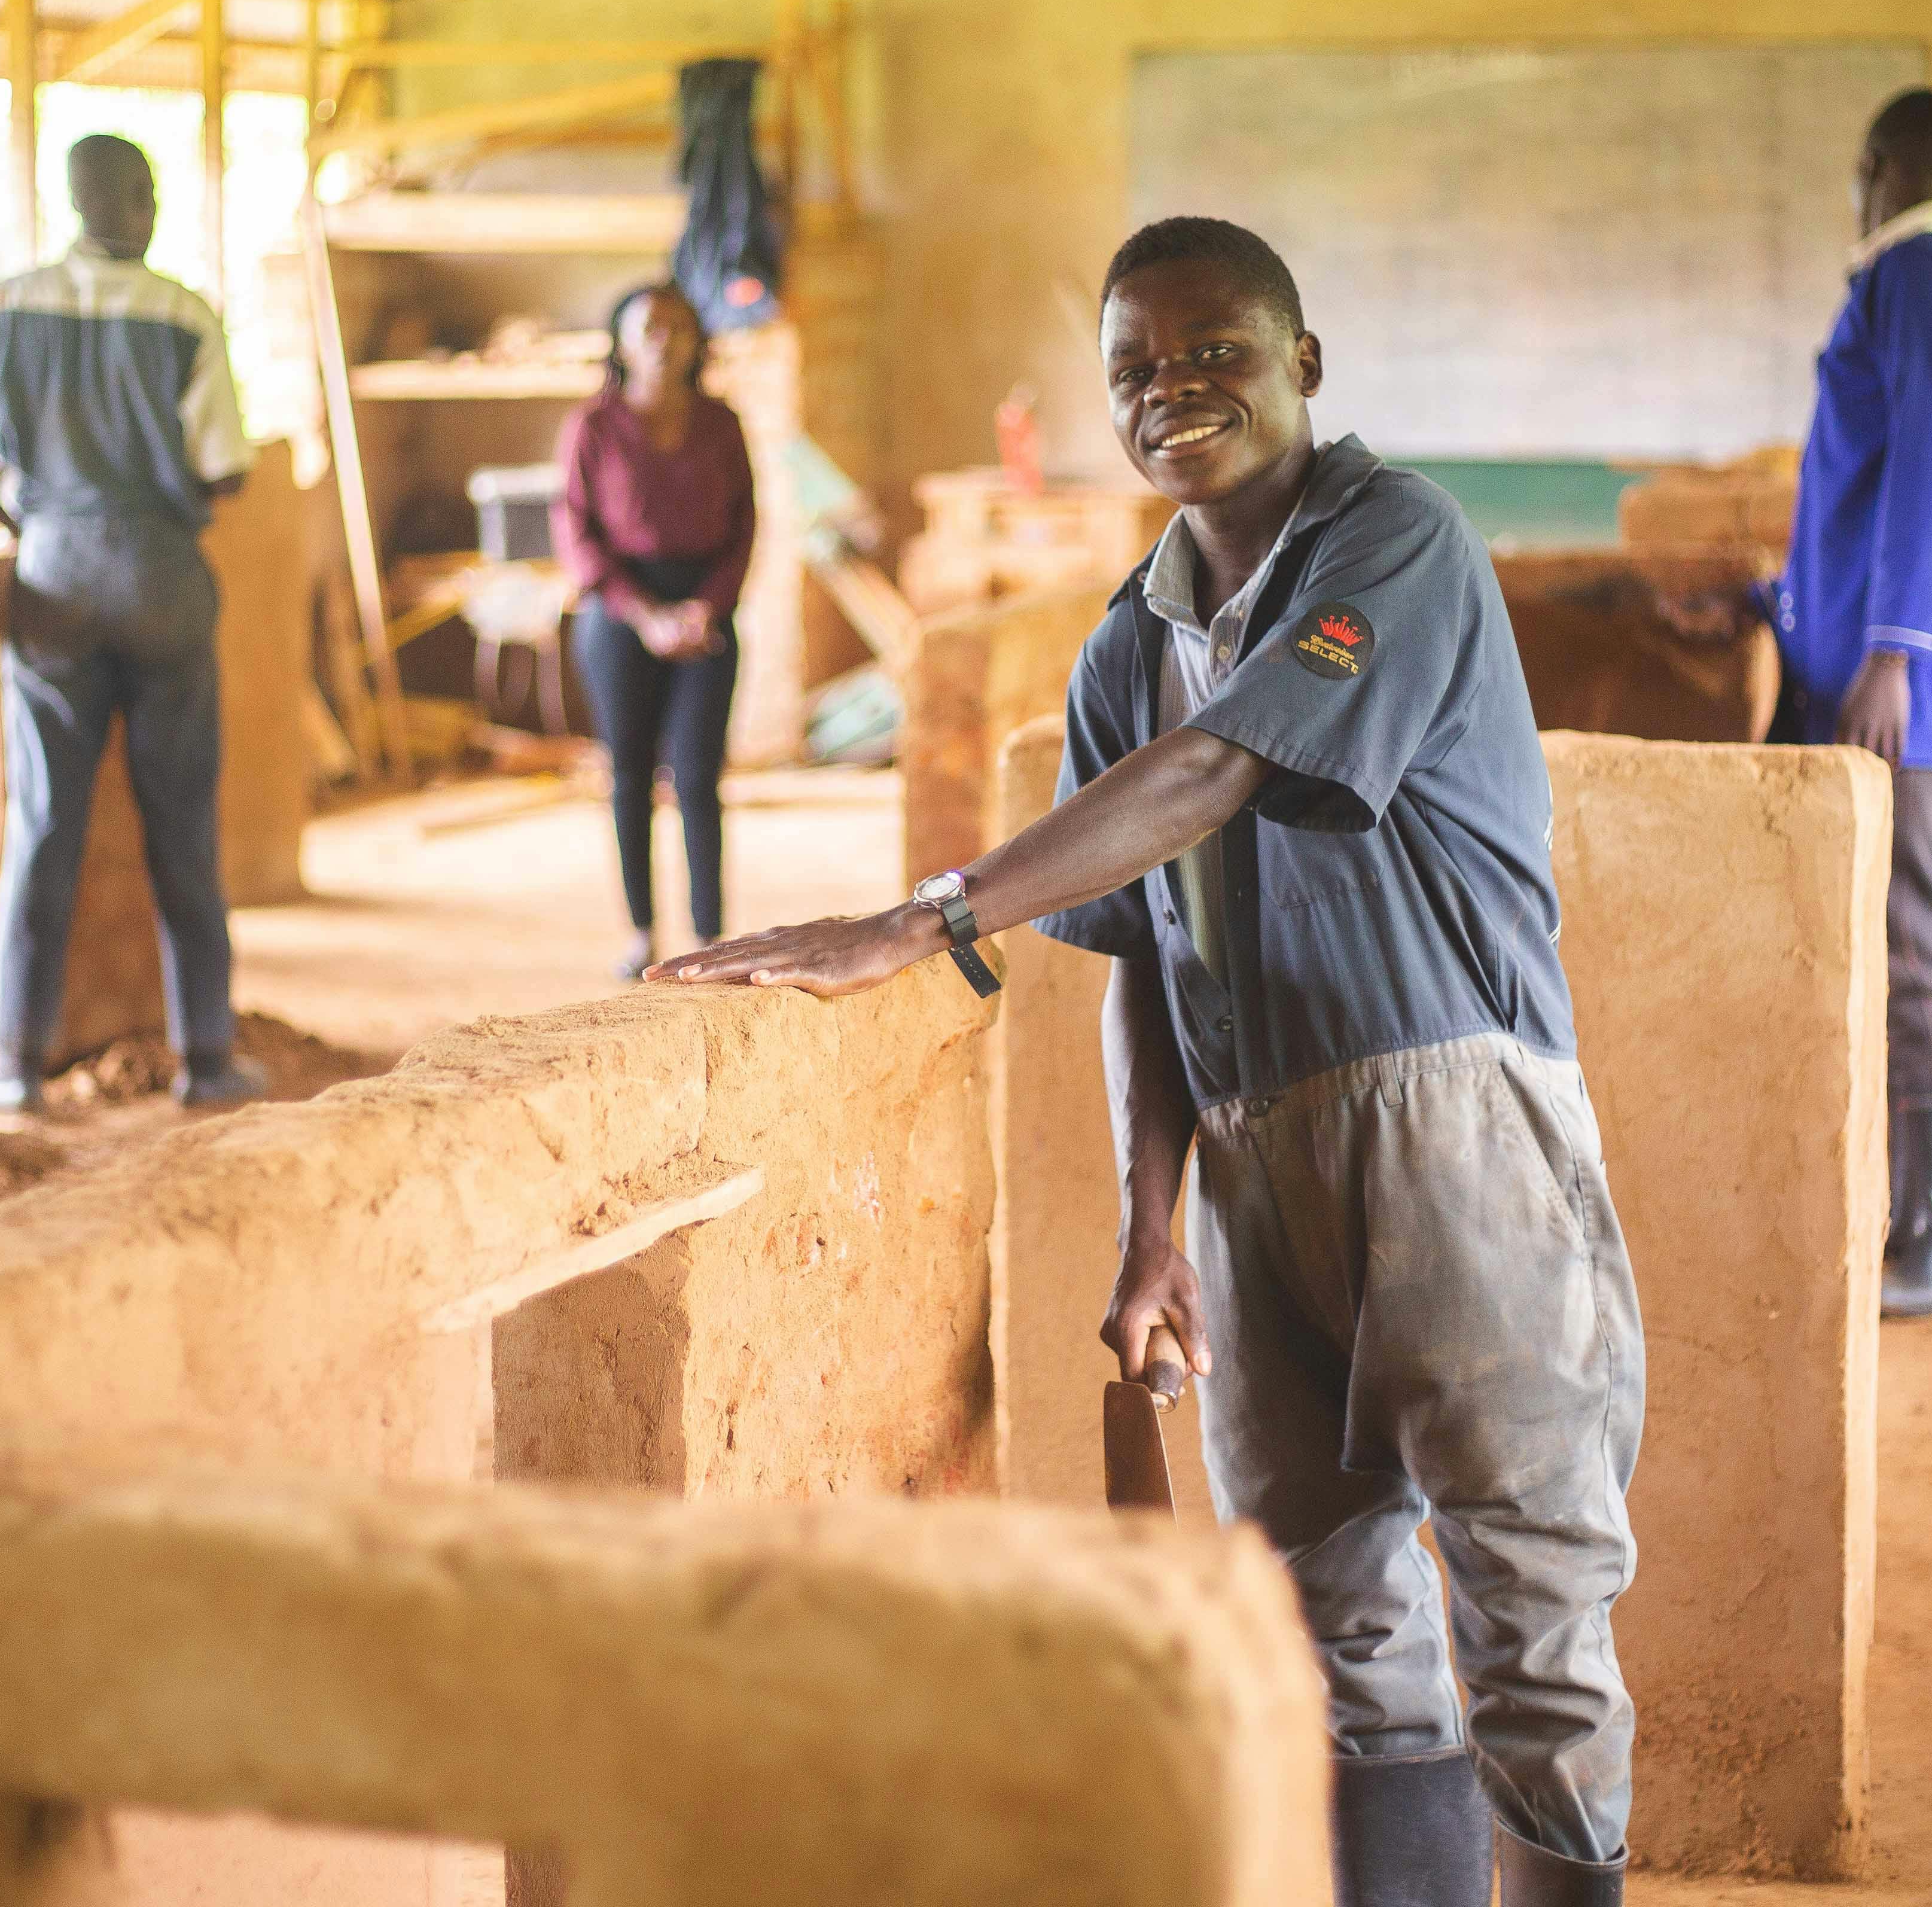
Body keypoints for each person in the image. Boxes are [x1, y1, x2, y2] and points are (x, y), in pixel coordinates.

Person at [650, 218, 1641, 1907]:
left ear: (1303, 366)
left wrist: (928, 916)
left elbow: (1214, 774)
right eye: (1137, 371)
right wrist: (1153, 1227)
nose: (1176, 393)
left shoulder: (1391, 543)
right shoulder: (1128, 643)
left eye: (1215, 355)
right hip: (1256, 1167)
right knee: (1323, 1608)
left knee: (1527, 1597)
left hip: (1453, 1125)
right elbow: (1146, 963)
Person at [0, 134, 263, 1116]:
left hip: (51, 574)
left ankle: (13, 1065)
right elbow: (227, 468)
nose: (153, 202)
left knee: (42, 824)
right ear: (122, 199)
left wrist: (39, 523)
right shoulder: (184, 315)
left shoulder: (0, 306)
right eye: (147, 188)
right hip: (160, 574)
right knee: (183, 827)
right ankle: (206, 1059)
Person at [1777, 86, 1932, 1320]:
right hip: (1881, 673)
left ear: (1877, 165)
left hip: (1908, 693)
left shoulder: (1917, 275)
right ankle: (1920, 1219)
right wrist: (1780, 606)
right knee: (1896, 938)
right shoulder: (1912, 284)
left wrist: (1893, 652)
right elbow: (1859, 502)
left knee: (1916, 943)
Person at [556, 281, 755, 977]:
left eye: (677, 327)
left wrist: (705, 609)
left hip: (705, 609)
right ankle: (641, 932)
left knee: (700, 775)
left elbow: (744, 528)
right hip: (618, 613)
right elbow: (577, 533)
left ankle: (709, 936)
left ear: (699, 340)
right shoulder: (594, 426)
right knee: (630, 774)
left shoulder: (722, 423)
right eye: (648, 329)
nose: (663, 341)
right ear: (620, 343)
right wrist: (644, 615)